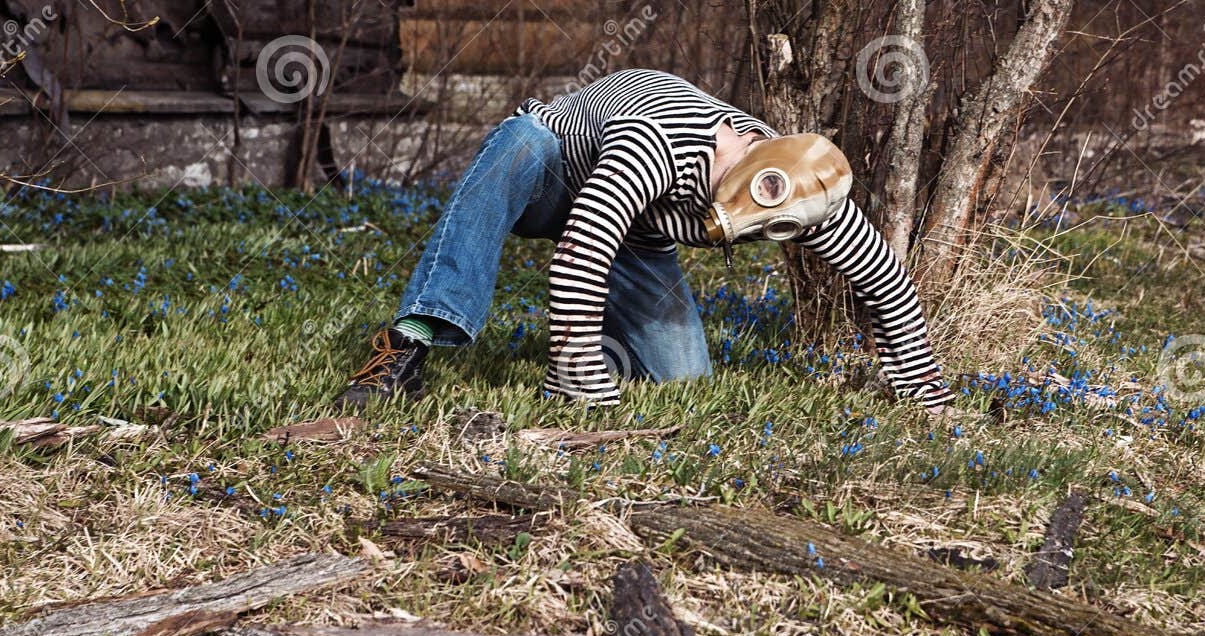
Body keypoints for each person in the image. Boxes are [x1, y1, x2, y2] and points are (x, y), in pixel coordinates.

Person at [337, 69, 951, 411]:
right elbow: (580, 253)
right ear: (737, 151)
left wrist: (925, 394)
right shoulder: (658, 141)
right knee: (520, 142)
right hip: (553, 181)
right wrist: (578, 379)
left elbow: (885, 282)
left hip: (639, 226)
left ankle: (604, 349)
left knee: (682, 384)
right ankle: (408, 342)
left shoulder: (798, 181)